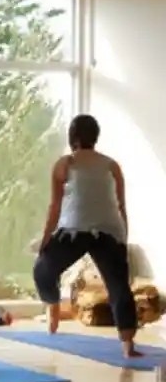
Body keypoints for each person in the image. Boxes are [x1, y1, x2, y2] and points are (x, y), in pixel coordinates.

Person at [34, 115, 140, 356]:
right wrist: (124, 234)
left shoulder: (68, 163)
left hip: (86, 230)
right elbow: (122, 206)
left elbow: (55, 206)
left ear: (74, 137)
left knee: (43, 270)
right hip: (93, 230)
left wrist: (45, 239)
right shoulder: (108, 164)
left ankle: (52, 303)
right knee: (119, 287)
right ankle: (128, 344)